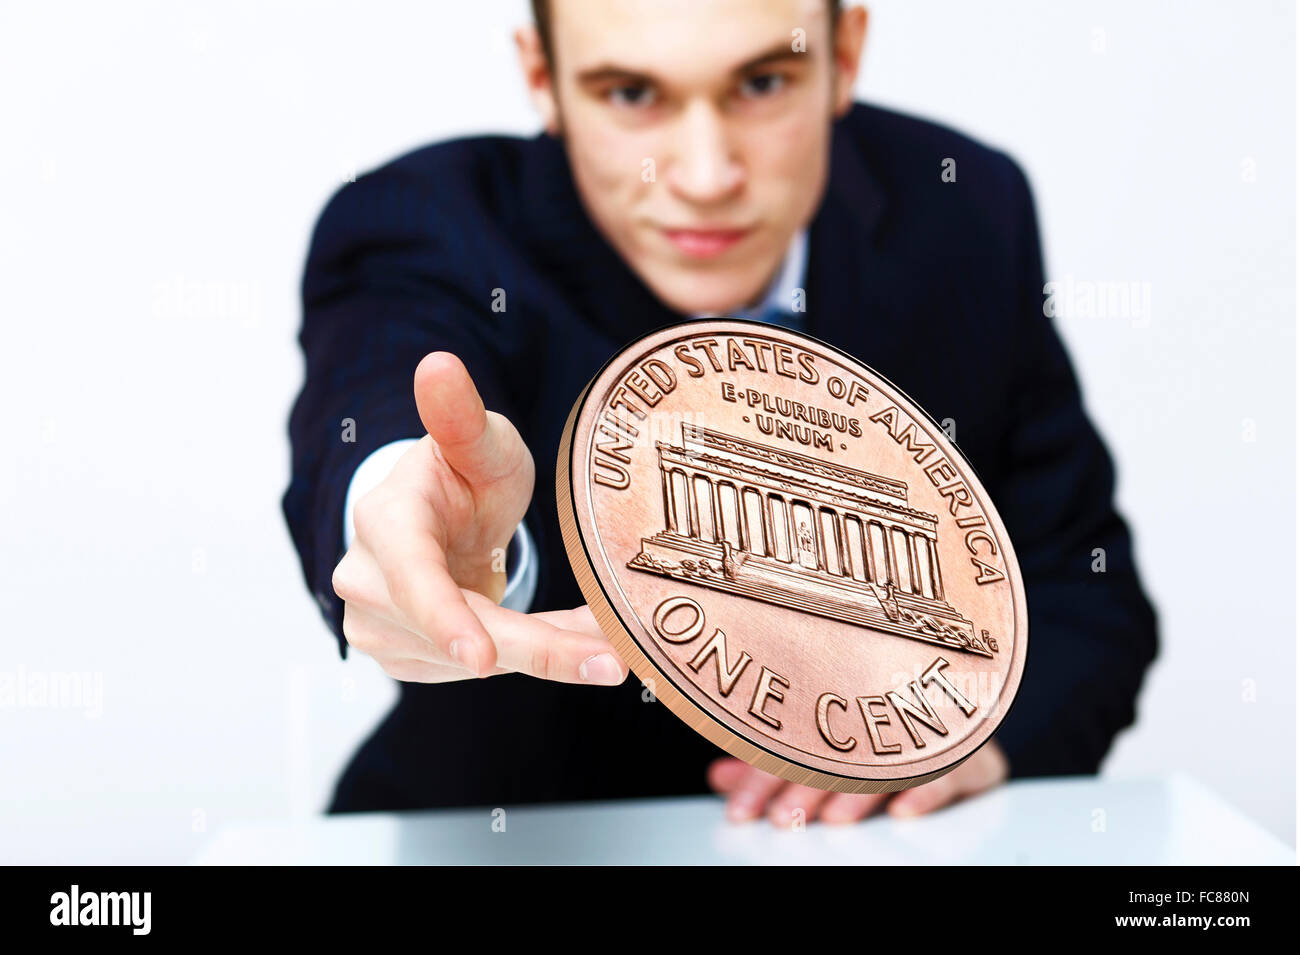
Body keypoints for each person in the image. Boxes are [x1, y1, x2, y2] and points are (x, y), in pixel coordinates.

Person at [283, 0, 1159, 825]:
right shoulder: (423, 223)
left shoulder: (966, 207)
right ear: (543, 79)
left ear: (843, 56)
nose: (704, 177)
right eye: (631, 94)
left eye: (763, 83)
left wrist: (980, 738)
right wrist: (403, 512)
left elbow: (1088, 601)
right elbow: (380, 393)